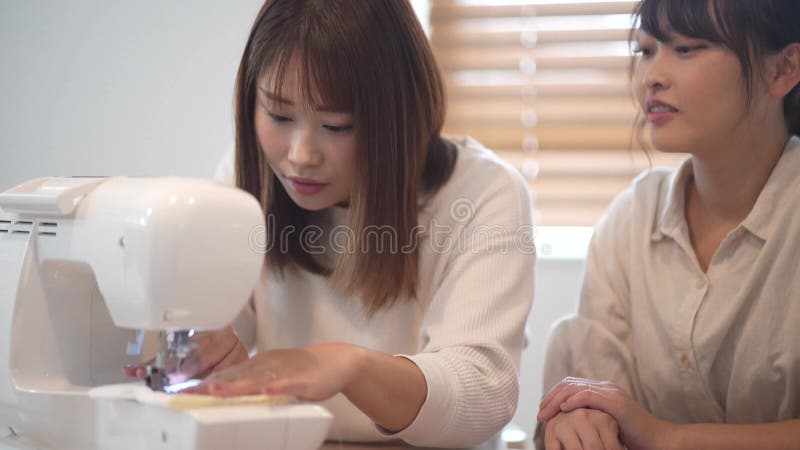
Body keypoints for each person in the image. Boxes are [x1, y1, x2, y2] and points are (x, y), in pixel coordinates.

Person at [126, 0, 536, 447]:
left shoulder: (481, 194)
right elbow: (207, 335)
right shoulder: (249, 183)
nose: (300, 155)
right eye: (279, 116)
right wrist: (195, 348)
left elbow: (483, 390)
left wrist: (350, 367)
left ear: (397, 117)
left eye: (337, 125)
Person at [534, 0, 800, 449]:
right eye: (645, 50)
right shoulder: (629, 221)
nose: (651, 77)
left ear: (783, 70)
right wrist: (578, 420)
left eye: (687, 49)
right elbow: (597, 400)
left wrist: (670, 438)